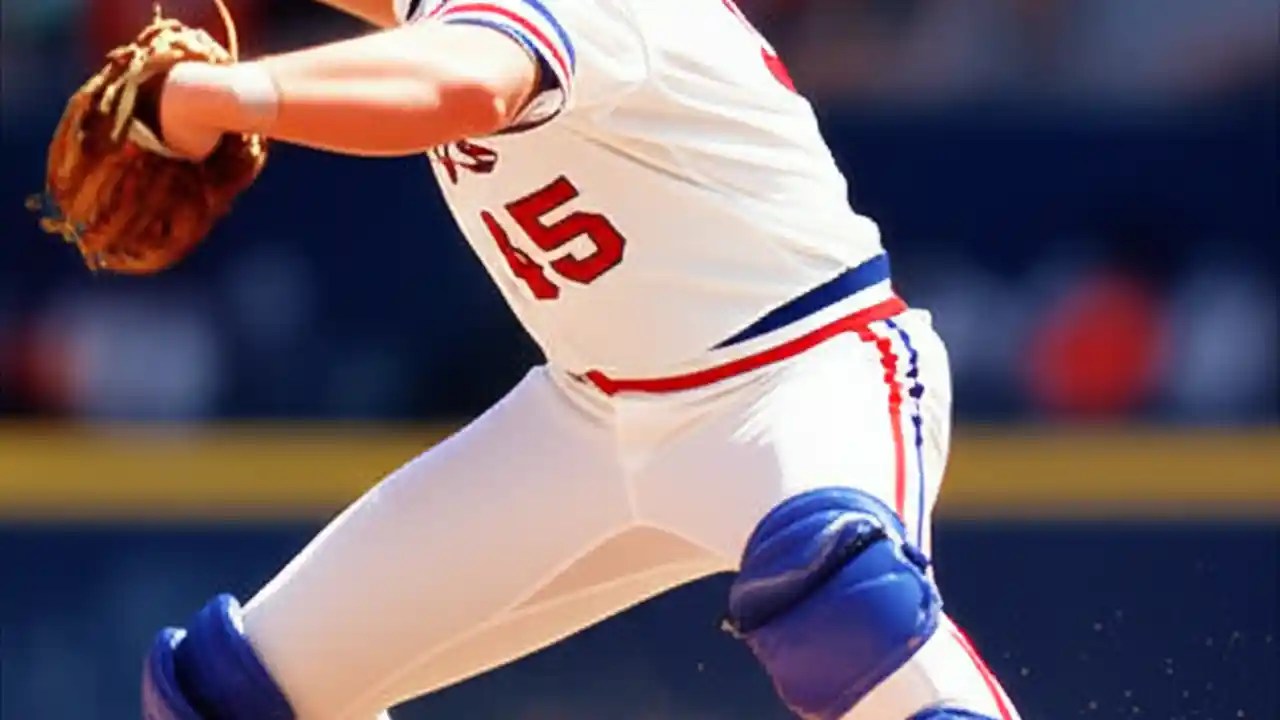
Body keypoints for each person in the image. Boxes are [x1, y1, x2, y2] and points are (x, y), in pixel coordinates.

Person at [142, 1, 1022, 718]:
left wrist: (227, 94)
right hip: (591, 419)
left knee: (842, 603)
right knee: (229, 698)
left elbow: (468, 85)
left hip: (797, 379)